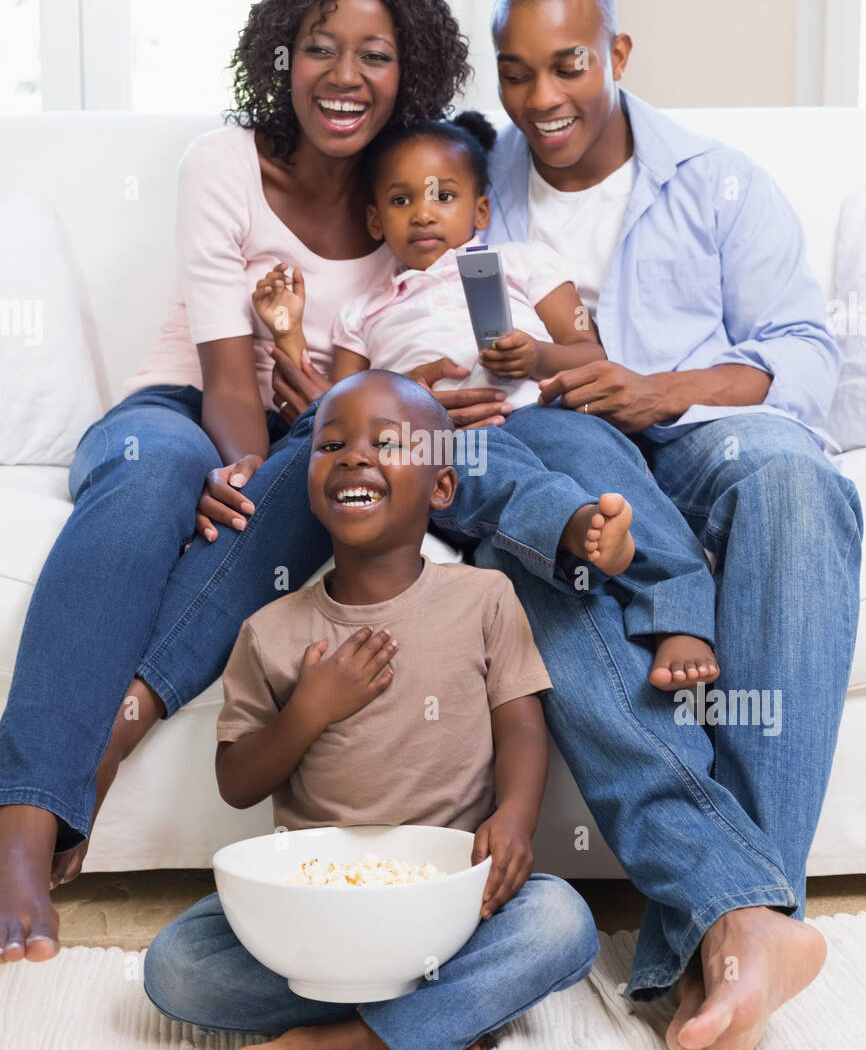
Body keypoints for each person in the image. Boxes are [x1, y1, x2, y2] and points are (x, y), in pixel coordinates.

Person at [0, 0, 480, 958]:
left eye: (375, 55)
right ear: (282, 55)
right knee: (157, 477)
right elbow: (225, 379)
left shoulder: (417, 194)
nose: (345, 76)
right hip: (180, 409)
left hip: (313, 435)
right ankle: (22, 828)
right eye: (320, 47)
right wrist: (235, 468)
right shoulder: (226, 165)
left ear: (411, 73)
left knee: (342, 457)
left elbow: (435, 354)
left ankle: (114, 728)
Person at [451, 0, 860, 1050]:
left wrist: (662, 390)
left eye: (568, 66)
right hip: (557, 460)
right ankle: (741, 940)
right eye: (516, 73)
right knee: (535, 560)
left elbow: (805, 362)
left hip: (692, 431)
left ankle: (721, 934)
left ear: (617, 56)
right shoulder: (471, 182)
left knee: (794, 479)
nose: (542, 100)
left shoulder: (717, 183)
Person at [142, 370, 599, 1050]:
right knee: (176, 965)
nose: (354, 457)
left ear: (441, 489)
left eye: (387, 443)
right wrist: (310, 710)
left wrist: (514, 819)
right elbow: (237, 782)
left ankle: (349, 1044)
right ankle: (435, 1014)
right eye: (330, 444)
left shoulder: (484, 598)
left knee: (561, 924)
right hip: (320, 912)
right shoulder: (272, 631)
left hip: (452, 909)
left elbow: (520, 726)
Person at [253, 110, 721, 687]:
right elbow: (337, 408)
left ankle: (680, 615)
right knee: (470, 469)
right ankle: (571, 526)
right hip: (453, 444)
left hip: (548, 410)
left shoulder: (523, 263)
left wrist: (538, 357)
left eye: (443, 196)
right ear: (375, 219)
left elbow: (589, 351)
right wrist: (289, 335)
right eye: (400, 201)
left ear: (480, 211)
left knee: (606, 467)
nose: (422, 212)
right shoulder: (364, 312)